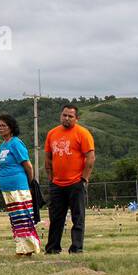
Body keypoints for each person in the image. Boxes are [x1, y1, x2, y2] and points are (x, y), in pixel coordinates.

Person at [44, 104, 96, 253]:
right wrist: (51, 177)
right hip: (57, 184)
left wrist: (84, 179)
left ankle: (76, 248)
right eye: (64, 115)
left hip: (76, 183)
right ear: (61, 116)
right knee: (55, 218)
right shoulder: (52, 133)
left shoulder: (83, 133)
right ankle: (53, 248)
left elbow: (90, 157)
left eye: (70, 116)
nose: (66, 118)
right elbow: (48, 157)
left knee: (77, 218)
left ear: (76, 119)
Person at [0, 114, 41, 256]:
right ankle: (22, 248)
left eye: (4, 125)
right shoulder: (3, 145)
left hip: (19, 187)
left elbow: (28, 166)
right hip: (7, 188)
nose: (0, 128)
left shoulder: (16, 143)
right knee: (16, 220)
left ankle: (29, 249)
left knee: (23, 217)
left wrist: (30, 183)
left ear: (11, 127)